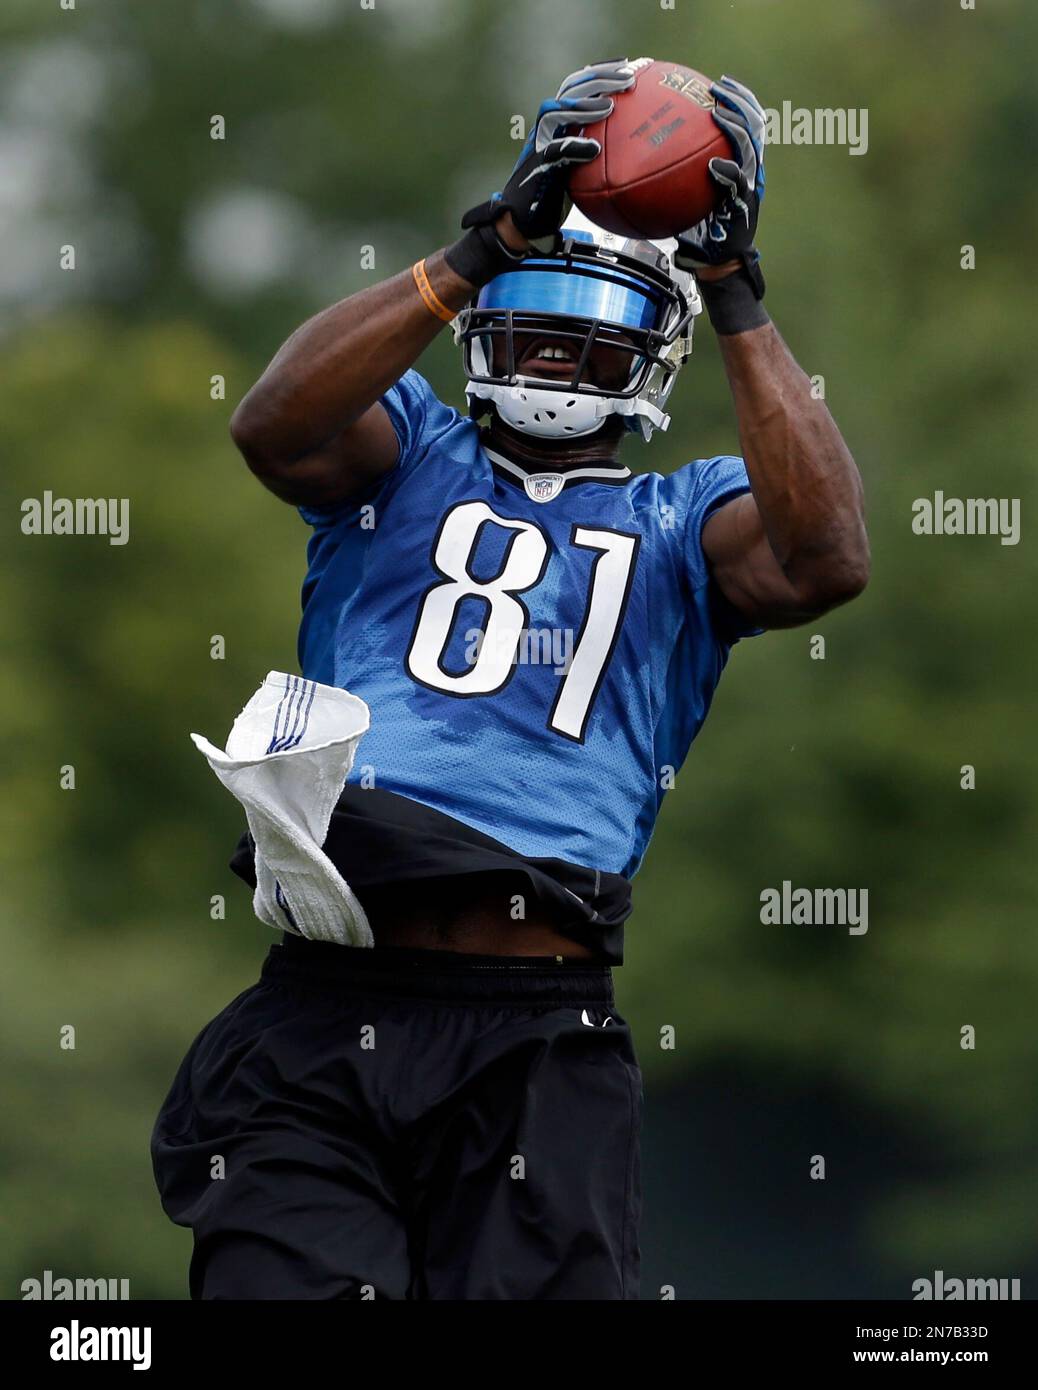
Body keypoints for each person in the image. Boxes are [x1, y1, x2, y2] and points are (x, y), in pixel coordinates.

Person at [151, 59, 868, 1300]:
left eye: (591, 329)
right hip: (328, 1004)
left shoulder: (683, 522)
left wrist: (735, 291)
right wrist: (478, 247)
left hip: (535, 1036)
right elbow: (274, 424)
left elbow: (828, 556)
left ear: (654, 356)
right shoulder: (406, 452)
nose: (554, 345)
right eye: (531, 311)